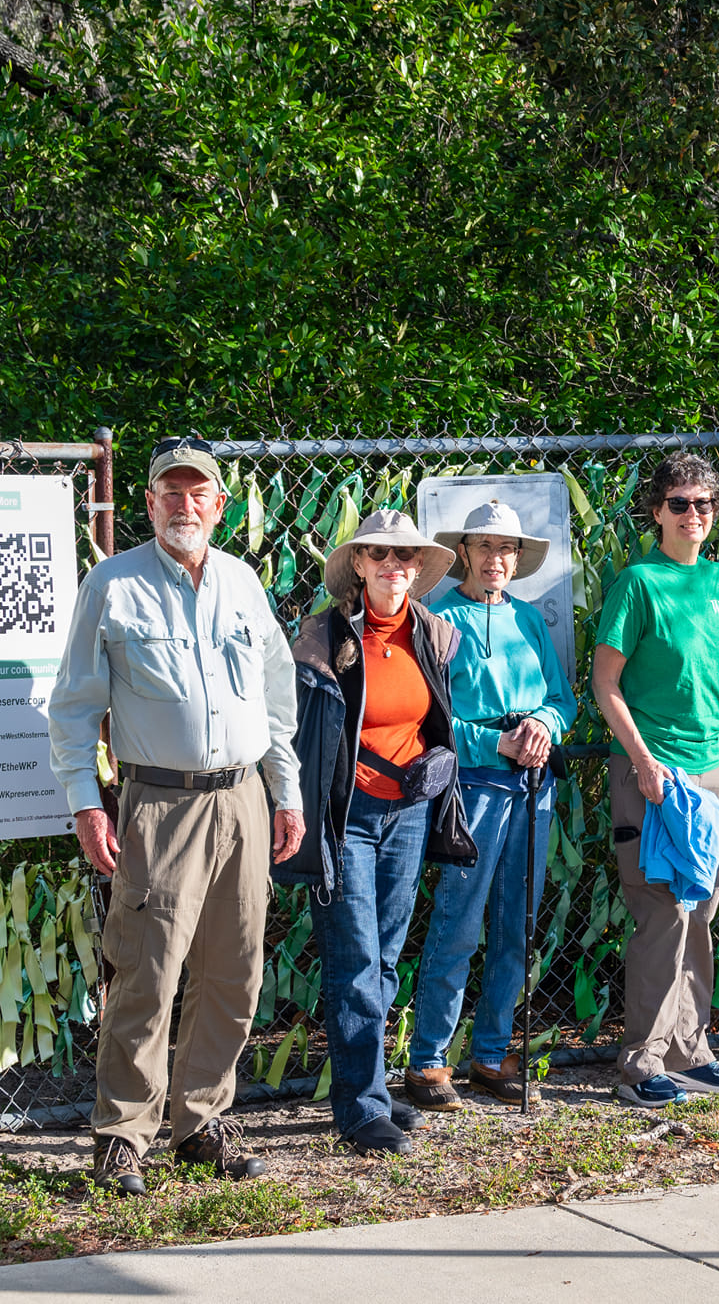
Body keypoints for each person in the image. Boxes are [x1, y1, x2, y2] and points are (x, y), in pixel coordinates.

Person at [50, 438, 301, 1195]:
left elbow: (276, 696)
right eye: (171, 492)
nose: (185, 504)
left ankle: (202, 1122)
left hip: (243, 799)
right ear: (149, 502)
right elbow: (72, 709)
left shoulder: (242, 581)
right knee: (147, 972)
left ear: (220, 506)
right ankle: (123, 1134)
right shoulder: (112, 584)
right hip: (157, 803)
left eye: (199, 493)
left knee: (234, 971)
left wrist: (284, 791)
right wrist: (86, 803)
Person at [281, 510, 465, 1156]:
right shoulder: (323, 636)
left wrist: (440, 759)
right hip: (346, 815)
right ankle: (360, 1109)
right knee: (355, 957)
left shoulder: (435, 635)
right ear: (358, 564)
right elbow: (306, 730)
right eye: (380, 553)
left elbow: (436, 717)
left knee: (384, 956)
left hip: (409, 813)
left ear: (420, 567)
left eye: (407, 556)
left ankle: (373, 1093)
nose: (395, 564)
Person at [405, 501, 579, 1110]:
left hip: (533, 787)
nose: (496, 559)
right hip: (473, 787)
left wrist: (541, 724)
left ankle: (489, 1053)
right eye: (485, 547)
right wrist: (492, 740)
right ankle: (428, 1060)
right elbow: (426, 714)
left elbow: (563, 699)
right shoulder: (435, 618)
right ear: (466, 553)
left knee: (516, 926)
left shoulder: (531, 620)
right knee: (459, 921)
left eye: (507, 549)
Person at [593, 453, 719, 1105]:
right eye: (681, 503)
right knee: (661, 912)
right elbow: (606, 683)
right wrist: (642, 760)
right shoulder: (638, 583)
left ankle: (692, 1049)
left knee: (702, 911)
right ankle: (642, 1061)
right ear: (657, 510)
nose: (694, 514)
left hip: (713, 772)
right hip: (654, 775)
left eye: (704, 504)